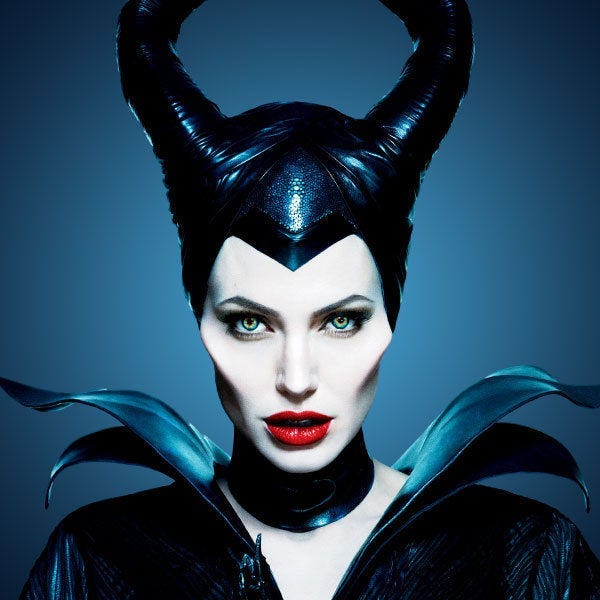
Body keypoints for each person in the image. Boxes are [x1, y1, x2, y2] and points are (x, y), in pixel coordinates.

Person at [2, 0, 600, 598]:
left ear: (390, 316)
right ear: (198, 316)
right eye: (249, 323)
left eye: (340, 320)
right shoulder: (98, 558)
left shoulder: (526, 553)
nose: (296, 379)